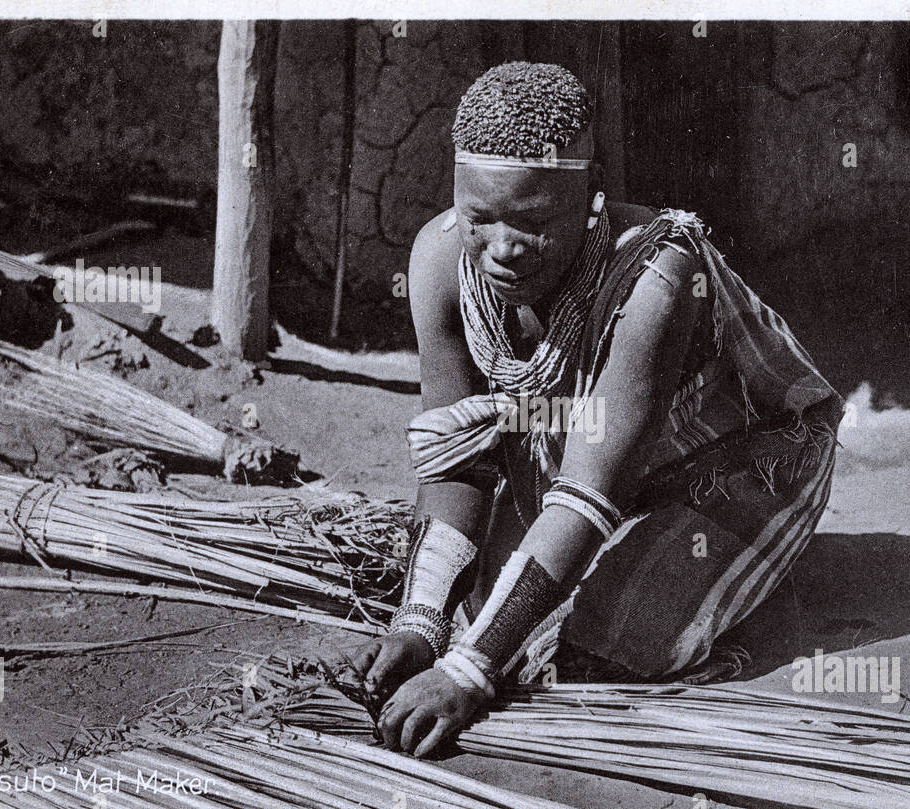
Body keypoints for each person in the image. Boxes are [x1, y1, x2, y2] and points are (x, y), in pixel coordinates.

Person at [343, 62, 843, 757]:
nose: (503, 250)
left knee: (612, 640)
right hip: (593, 455)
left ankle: (746, 546)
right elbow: (458, 463)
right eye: (480, 218)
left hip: (741, 454)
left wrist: (464, 671)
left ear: (592, 198)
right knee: (468, 609)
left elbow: (585, 497)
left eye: (534, 221)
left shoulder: (657, 279)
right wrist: (420, 624)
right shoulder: (439, 259)